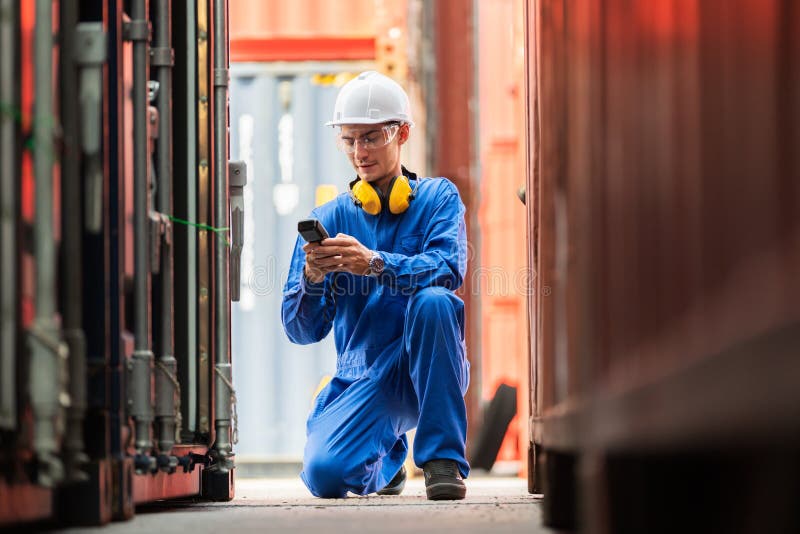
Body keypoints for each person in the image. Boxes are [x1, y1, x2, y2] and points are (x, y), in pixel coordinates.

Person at [281, 71, 470, 500]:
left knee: (435, 301)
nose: (359, 152)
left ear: (401, 133)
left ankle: (442, 461)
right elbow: (299, 330)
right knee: (326, 476)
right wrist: (313, 279)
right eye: (349, 140)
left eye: (370, 138)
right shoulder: (329, 220)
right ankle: (385, 467)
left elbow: (447, 268)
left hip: (430, 363)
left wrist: (375, 264)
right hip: (365, 375)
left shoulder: (439, 198)